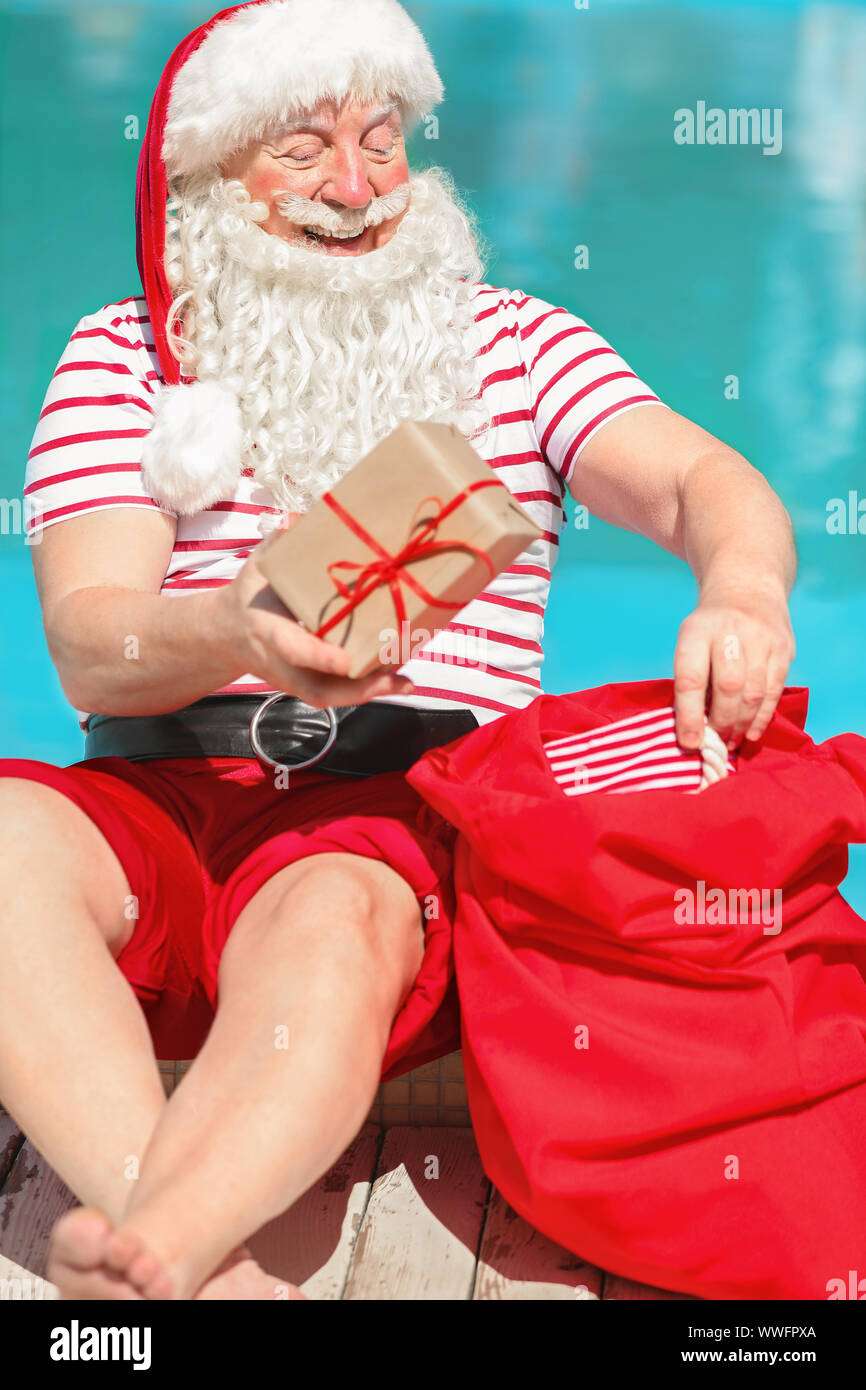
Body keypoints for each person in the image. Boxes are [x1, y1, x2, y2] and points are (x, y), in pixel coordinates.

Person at [0, 0, 796, 1300]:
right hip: (154, 793)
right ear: (207, 167)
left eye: (380, 139)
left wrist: (743, 591)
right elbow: (92, 648)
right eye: (303, 149)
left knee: (337, 906)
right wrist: (237, 627)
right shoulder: (122, 355)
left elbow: (700, 480)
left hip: (386, 805)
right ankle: (196, 1260)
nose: (357, 186)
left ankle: (153, 1256)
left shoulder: (520, 347)